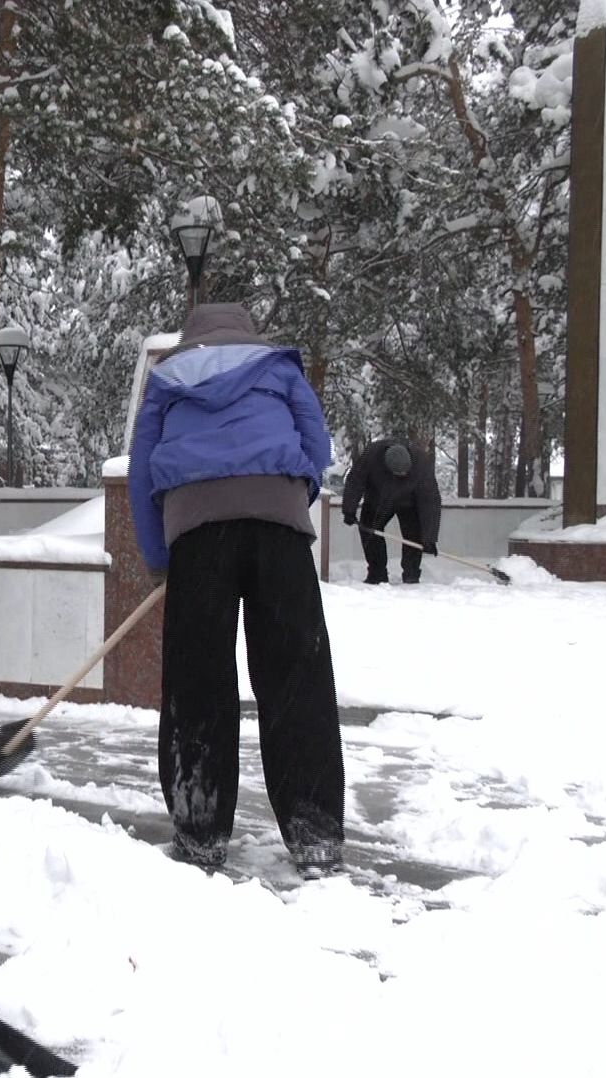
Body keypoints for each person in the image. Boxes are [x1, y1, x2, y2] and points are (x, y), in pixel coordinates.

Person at [127, 302, 347, 879]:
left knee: (197, 682)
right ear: (246, 333)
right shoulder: (277, 368)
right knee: (297, 675)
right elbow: (317, 444)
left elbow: (142, 471)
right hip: (277, 527)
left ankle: (199, 833)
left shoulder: (167, 380)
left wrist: (158, 560)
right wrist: (288, 496)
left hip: (198, 534)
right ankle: (314, 831)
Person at [341, 438, 442, 584]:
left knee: (414, 535)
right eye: (398, 473)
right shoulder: (371, 455)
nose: (401, 476)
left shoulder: (421, 464)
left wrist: (429, 537)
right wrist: (349, 509)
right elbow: (355, 481)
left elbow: (430, 500)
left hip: (409, 502)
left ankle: (411, 574)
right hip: (379, 499)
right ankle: (377, 573)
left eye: (404, 473)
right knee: (369, 530)